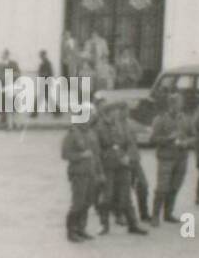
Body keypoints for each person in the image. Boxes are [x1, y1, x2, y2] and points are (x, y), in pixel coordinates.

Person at [94, 106, 149, 236]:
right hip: (108, 166)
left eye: (116, 113)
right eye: (113, 113)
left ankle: (133, 224)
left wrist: (128, 156)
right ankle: (104, 225)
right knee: (107, 197)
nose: (115, 116)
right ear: (106, 113)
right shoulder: (98, 128)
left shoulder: (121, 126)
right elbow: (97, 149)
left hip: (123, 166)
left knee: (126, 197)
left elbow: (130, 143)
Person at [150, 93, 192, 225]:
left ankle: (168, 213)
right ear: (171, 104)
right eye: (176, 103)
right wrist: (168, 138)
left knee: (175, 186)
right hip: (166, 158)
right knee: (162, 188)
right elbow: (153, 139)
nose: (179, 106)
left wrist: (187, 142)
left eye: (180, 103)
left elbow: (194, 136)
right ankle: (155, 216)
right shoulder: (160, 119)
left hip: (181, 157)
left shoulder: (185, 119)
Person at [61, 113, 99, 242]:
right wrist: (81, 155)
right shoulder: (72, 134)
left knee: (87, 201)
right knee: (78, 203)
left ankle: (81, 228)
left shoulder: (90, 133)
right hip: (78, 173)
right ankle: (71, 231)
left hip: (90, 172)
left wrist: (99, 171)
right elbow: (65, 154)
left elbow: (96, 154)